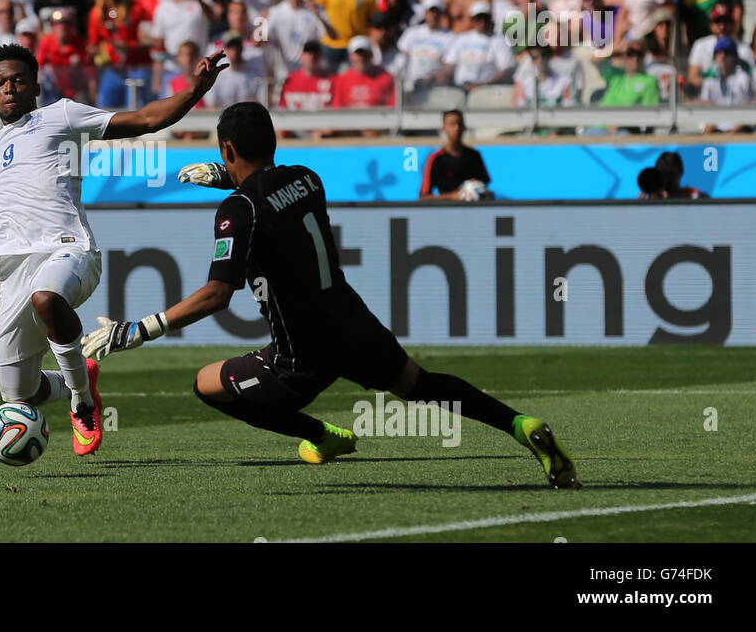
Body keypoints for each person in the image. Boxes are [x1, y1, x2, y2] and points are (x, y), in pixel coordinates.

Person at [82, 102, 577, 489]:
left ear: (228, 148)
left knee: (205, 383)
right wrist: (225, 173)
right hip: (353, 322)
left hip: (301, 354)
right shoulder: (308, 179)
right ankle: (520, 424)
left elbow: (217, 294)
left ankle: (321, 436)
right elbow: (270, 194)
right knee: (420, 384)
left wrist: (139, 329)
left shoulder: (238, 207)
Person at [0, 43, 229, 457]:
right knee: (21, 397)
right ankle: (79, 371)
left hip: (68, 250)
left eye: (17, 80)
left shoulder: (61, 116)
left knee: (47, 299)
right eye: (0, 83)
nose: (9, 88)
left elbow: (144, 118)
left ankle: (82, 401)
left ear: (34, 85)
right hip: (11, 273)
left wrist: (195, 90)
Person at [419, 109, 493, 199]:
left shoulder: (474, 156)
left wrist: (475, 190)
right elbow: (423, 197)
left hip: (472, 210)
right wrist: (453, 197)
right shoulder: (436, 159)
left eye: (459, 124)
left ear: (464, 127)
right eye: (452, 124)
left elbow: (485, 187)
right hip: (446, 210)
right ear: (443, 129)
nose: (456, 128)